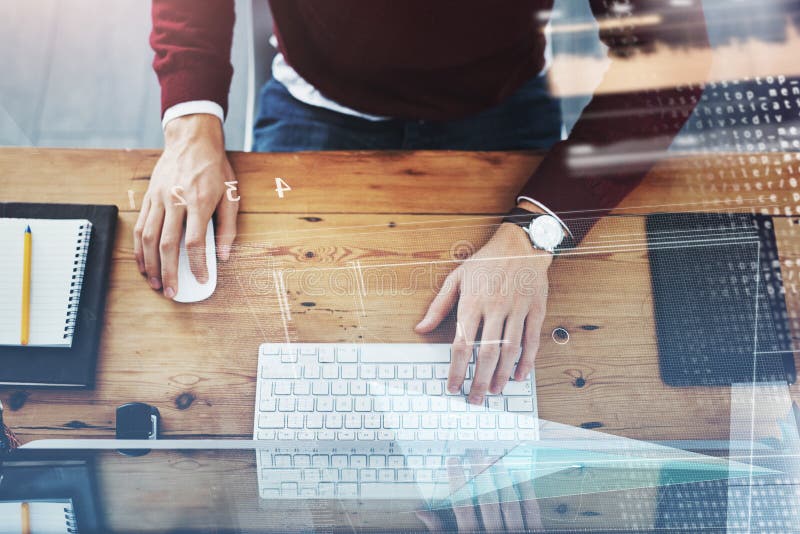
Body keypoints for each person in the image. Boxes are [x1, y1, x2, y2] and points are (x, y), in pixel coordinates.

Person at [140, 0, 709, 405]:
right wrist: (191, 119)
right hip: (314, 100)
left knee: (530, 360)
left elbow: (671, 56)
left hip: (500, 102)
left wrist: (540, 226)